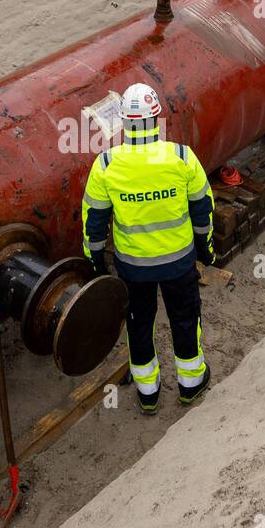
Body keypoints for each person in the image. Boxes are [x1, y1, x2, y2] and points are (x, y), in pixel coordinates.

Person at [80, 83, 215, 414]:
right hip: (179, 265)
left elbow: (93, 224)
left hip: (133, 270)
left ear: (124, 121)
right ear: (157, 118)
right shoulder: (182, 158)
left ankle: (148, 393)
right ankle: (190, 384)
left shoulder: (106, 165)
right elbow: (203, 212)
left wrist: (96, 263)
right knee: (185, 320)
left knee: (139, 325)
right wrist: (206, 251)